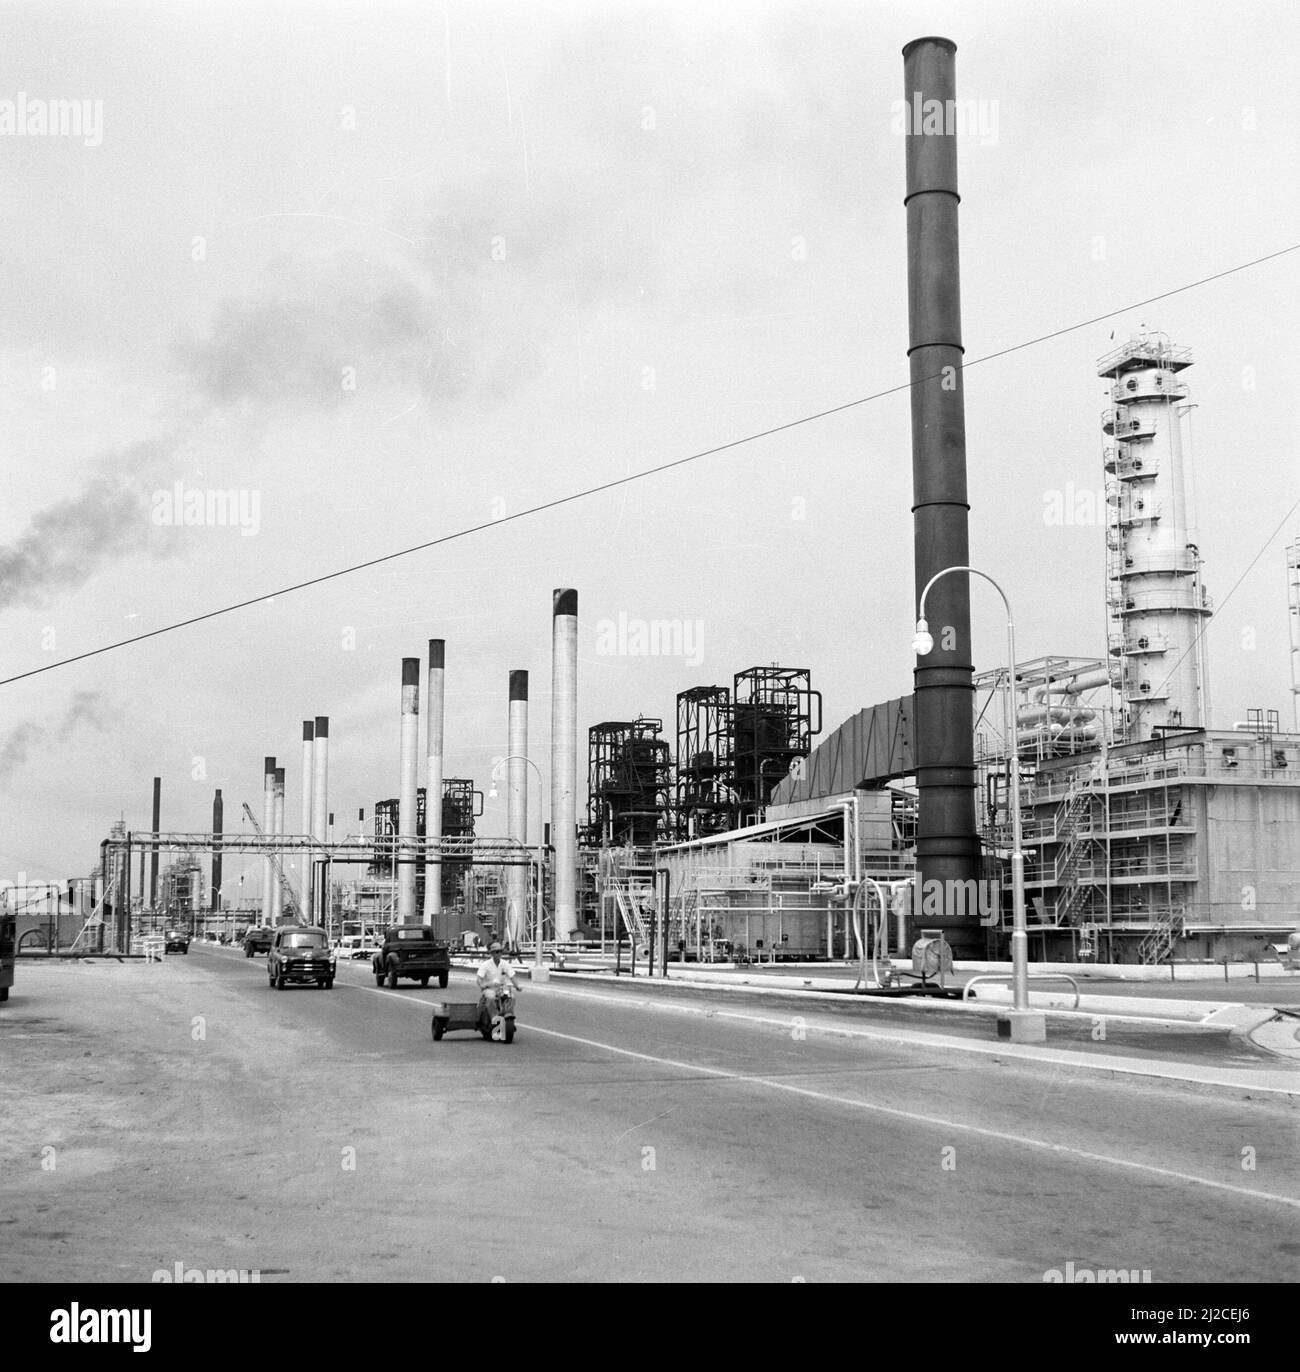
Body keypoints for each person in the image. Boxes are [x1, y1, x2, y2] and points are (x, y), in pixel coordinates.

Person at [476, 940, 517, 1016]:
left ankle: (507, 1014)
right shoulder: (485, 965)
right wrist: (481, 985)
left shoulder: (505, 964)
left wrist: (517, 986)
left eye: (500, 952)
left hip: (501, 988)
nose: (499, 954)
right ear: (492, 953)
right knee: (491, 998)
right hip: (489, 988)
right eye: (497, 952)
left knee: (511, 997)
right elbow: (479, 978)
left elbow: (512, 976)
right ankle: (494, 1017)